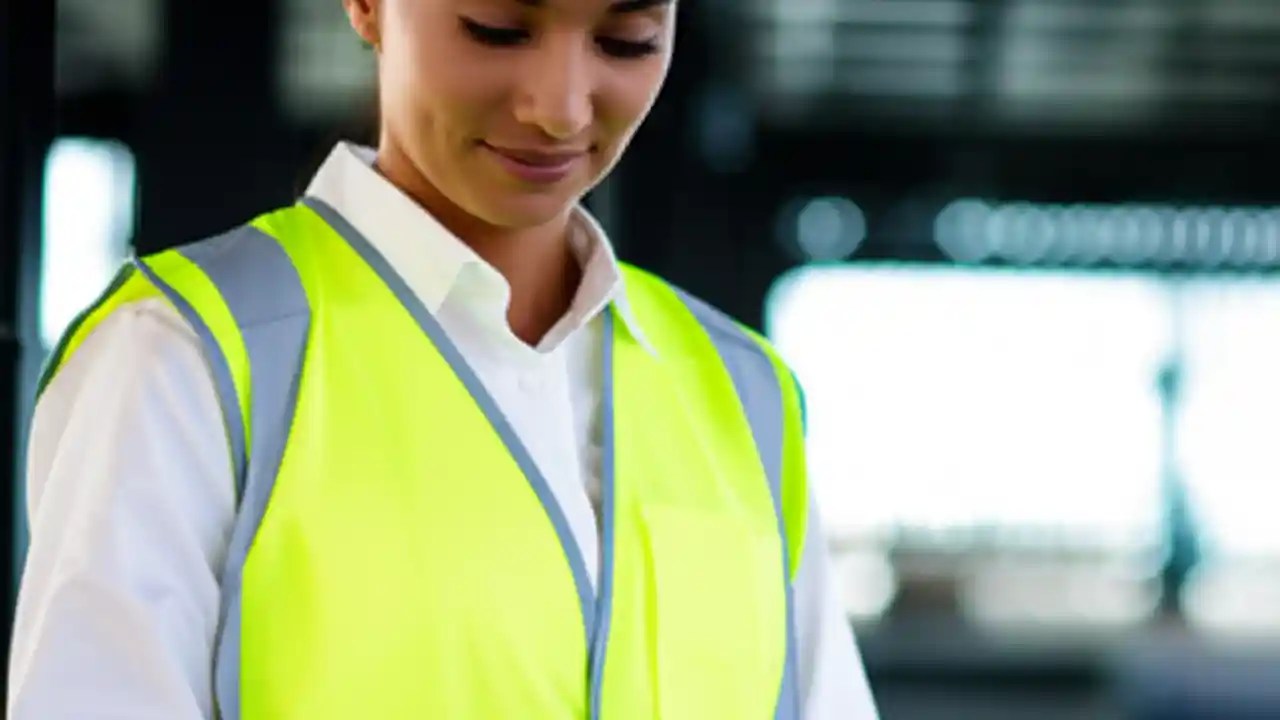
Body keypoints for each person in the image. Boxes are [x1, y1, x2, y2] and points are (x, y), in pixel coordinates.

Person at [8, 0, 879, 718]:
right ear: (367, 8)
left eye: (627, 41)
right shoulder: (186, 359)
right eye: (498, 29)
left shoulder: (744, 394)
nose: (561, 108)